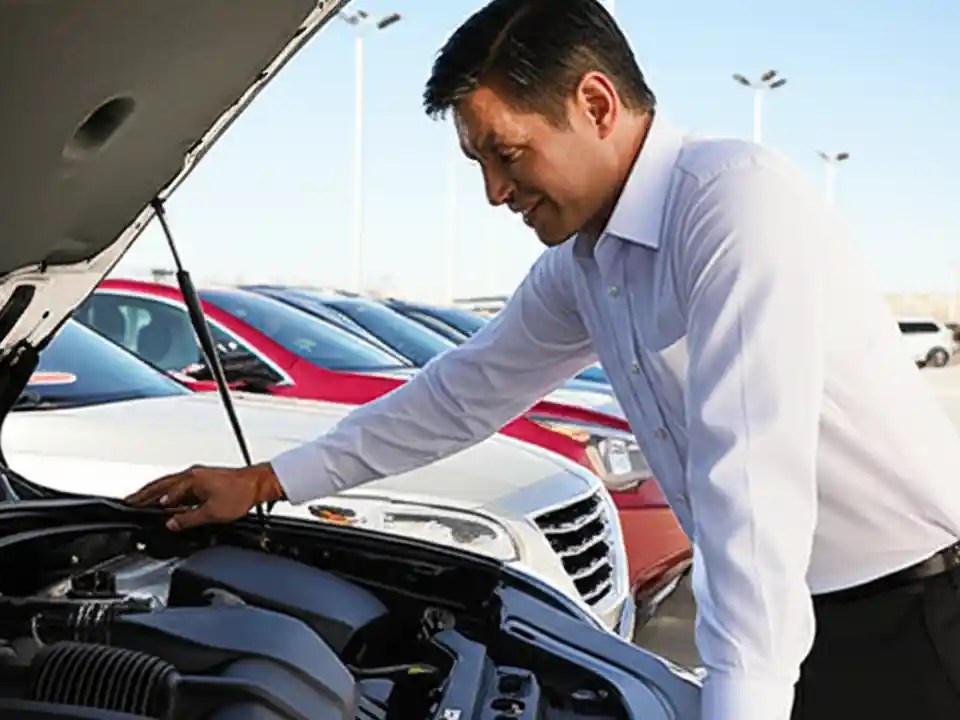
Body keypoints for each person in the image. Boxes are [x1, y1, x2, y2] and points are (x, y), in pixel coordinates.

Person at [126, 0, 960, 717]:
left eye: (508, 152)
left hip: (913, 619)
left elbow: (753, 490)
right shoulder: (585, 265)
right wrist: (266, 481)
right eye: (479, 163)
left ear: (596, 102)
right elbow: (456, 396)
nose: (495, 191)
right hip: (789, 628)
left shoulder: (734, 204)